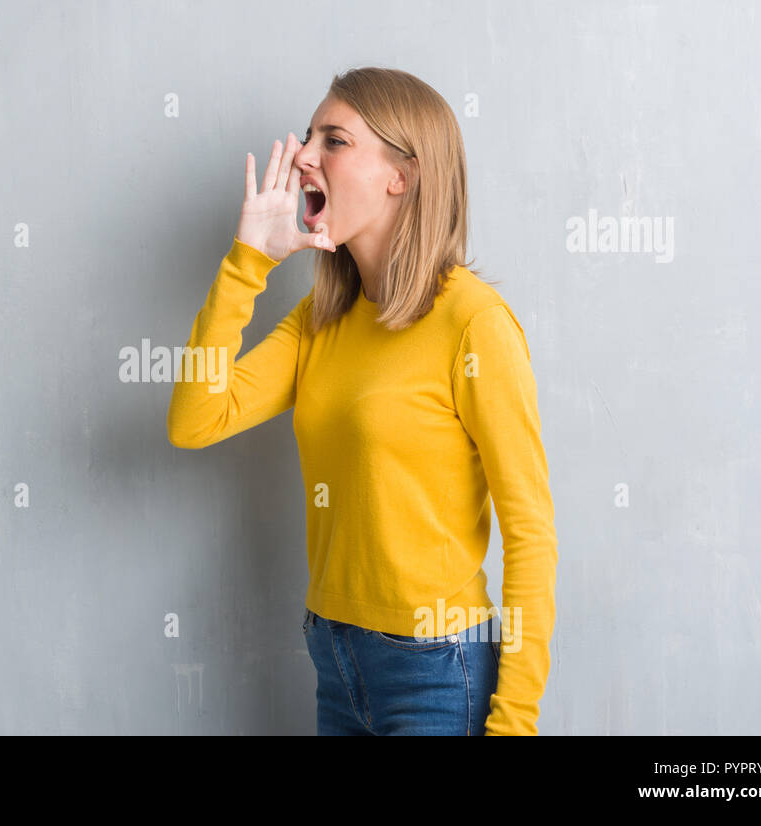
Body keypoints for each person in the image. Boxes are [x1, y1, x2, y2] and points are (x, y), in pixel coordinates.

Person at [167, 67, 557, 736]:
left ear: (400, 175)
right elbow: (196, 419)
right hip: (335, 656)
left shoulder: (474, 324)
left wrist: (514, 724)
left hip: (437, 669)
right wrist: (247, 261)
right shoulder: (323, 318)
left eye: (334, 140)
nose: (303, 156)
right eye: (309, 136)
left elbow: (531, 536)